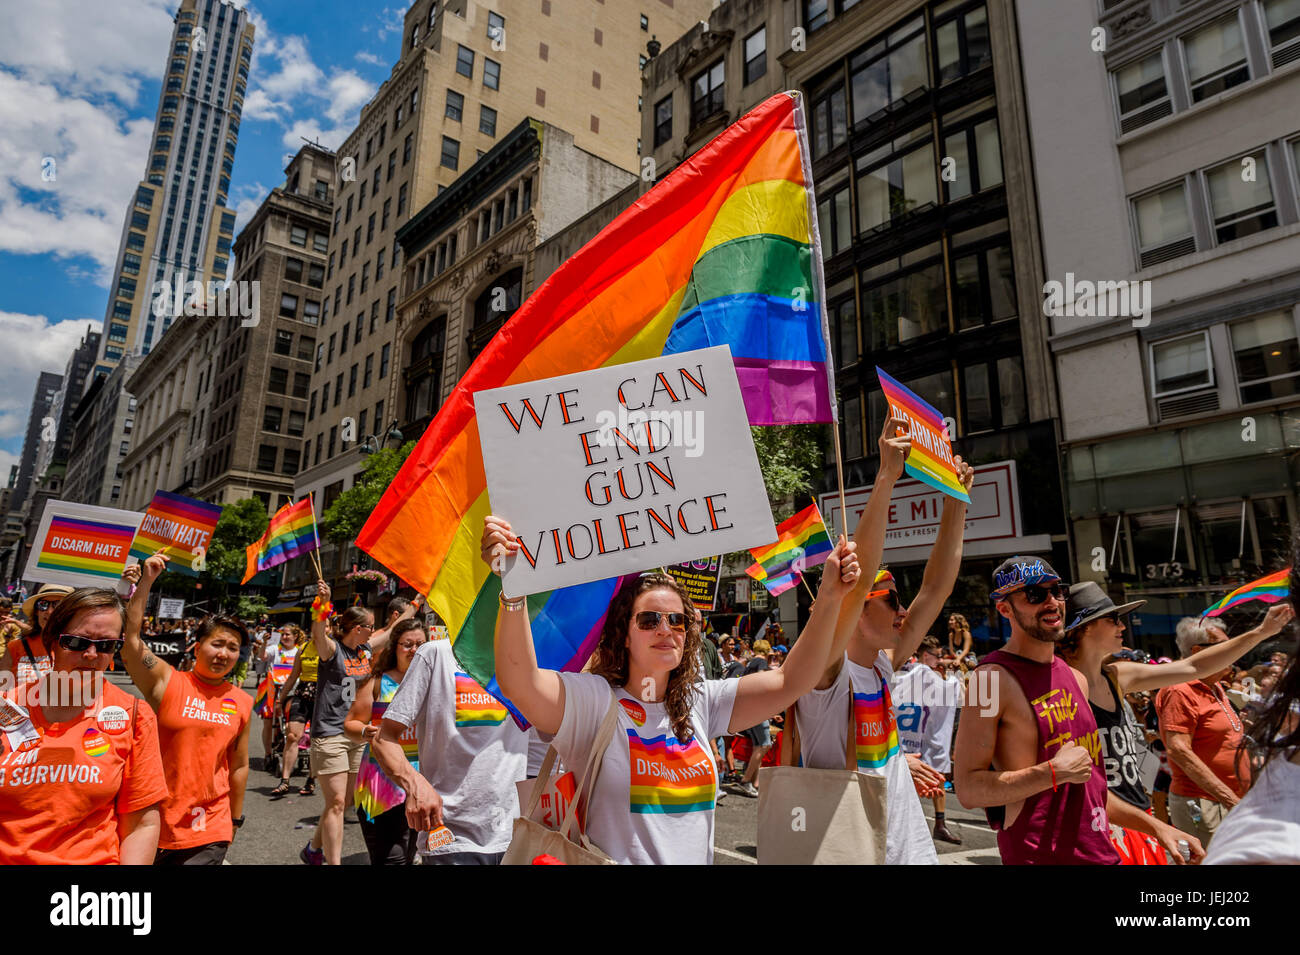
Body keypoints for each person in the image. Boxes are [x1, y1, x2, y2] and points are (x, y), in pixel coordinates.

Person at [478, 516, 861, 864]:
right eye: (649, 620)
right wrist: (513, 590)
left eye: (676, 620)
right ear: (624, 635)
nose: (665, 629)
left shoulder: (701, 702)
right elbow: (520, 682)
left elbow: (791, 681)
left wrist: (829, 596)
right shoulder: (594, 701)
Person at [793, 416, 972, 865]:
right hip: (853, 852)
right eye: (891, 600)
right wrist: (886, 477)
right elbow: (858, 578)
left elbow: (936, 590)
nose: (903, 610)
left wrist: (956, 501)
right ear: (857, 610)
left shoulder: (881, 666)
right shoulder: (824, 674)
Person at [1060, 581, 1292, 863]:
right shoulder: (1062, 686)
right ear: (1084, 627)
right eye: (1113, 619)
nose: (1122, 626)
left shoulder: (1117, 676)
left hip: (1137, 817)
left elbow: (1194, 666)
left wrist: (1262, 632)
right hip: (1098, 824)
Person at [954, 557, 1119, 865]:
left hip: (1101, 853)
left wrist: (1155, 827)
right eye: (1035, 595)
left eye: (1057, 591)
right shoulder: (989, 679)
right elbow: (968, 789)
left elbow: (1090, 787)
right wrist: (1052, 773)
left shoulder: (1077, 678)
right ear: (1004, 609)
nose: (1052, 602)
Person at [0, 588, 168, 864]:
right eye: (77, 642)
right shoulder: (5, 708)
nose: (91, 654)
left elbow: (142, 825)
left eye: (105, 645)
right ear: (52, 641)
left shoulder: (134, 715)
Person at [116, 553, 252, 864]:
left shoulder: (243, 701)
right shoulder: (168, 681)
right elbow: (131, 641)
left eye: (233, 648)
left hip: (210, 826)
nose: (224, 653)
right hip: (153, 819)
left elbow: (240, 765)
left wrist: (234, 819)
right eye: (217, 644)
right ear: (196, 646)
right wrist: (147, 581)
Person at [370, 614, 530, 865]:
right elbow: (384, 737)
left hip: (515, 835)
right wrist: (415, 784)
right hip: (449, 836)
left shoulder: (531, 658)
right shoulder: (436, 654)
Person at [302, 580, 405, 866]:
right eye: (370, 626)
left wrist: (418, 603)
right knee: (335, 803)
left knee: (345, 802)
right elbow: (317, 633)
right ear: (358, 629)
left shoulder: (366, 651)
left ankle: (312, 849)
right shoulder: (332, 651)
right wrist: (322, 602)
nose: (374, 630)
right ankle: (330, 862)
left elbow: (393, 631)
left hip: (357, 734)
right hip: (330, 734)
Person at [1155, 616, 1260, 850]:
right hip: (1205, 805)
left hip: (1227, 802)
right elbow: (1179, 750)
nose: (1232, 651)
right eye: (1225, 646)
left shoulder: (1217, 686)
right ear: (1197, 650)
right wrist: (1230, 798)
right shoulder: (1179, 689)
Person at [344, 618, 427, 865]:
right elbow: (351, 723)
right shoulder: (378, 681)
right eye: (407, 644)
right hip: (380, 784)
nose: (413, 650)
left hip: (421, 782)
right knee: (391, 859)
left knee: (411, 854)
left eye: (420, 645)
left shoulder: (433, 682)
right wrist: (365, 731)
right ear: (395, 647)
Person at [896, 635, 965, 844]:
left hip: (916, 734)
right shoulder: (921, 673)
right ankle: (933, 824)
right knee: (926, 777)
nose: (939, 659)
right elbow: (954, 692)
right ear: (926, 655)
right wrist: (954, 676)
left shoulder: (910, 672)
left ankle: (939, 824)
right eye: (937, 656)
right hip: (916, 735)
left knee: (935, 775)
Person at [272, 625, 317, 798]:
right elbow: (292, 676)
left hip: (323, 696)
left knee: (316, 739)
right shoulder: (304, 648)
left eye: (326, 627)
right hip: (302, 693)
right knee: (292, 735)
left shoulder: (332, 649)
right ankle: (285, 781)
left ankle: (311, 779)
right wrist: (280, 699)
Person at [1, 583, 73, 681]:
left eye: (58, 605)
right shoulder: (15, 647)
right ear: (36, 611)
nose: (49, 611)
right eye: (43, 605)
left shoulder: (84, 649)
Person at [260, 629, 298, 769]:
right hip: (272, 689)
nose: (284, 637)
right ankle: (268, 753)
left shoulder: (298, 651)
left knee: (290, 722)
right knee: (268, 722)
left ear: (295, 636)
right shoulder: (275, 648)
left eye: (288, 634)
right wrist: (264, 642)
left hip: (292, 691)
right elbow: (262, 656)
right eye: (283, 634)